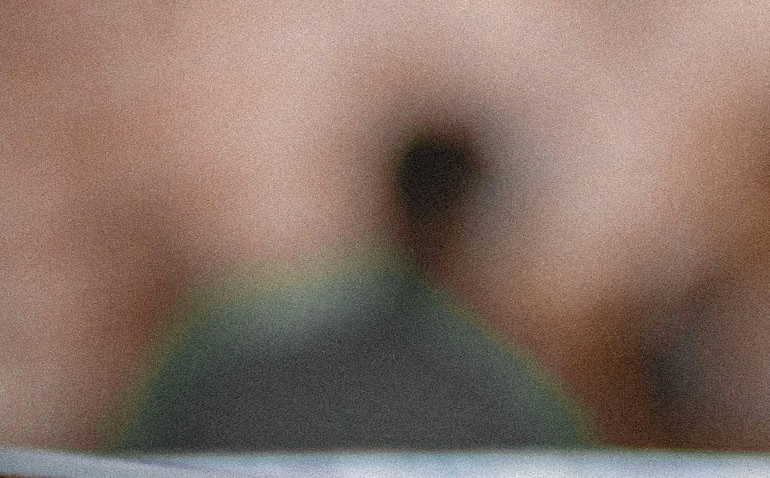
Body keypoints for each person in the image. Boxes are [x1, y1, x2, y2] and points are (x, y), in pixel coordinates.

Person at [116, 125, 591, 453]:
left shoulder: (227, 337)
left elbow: (135, 459)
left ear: (392, 198)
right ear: (472, 222)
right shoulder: (503, 392)